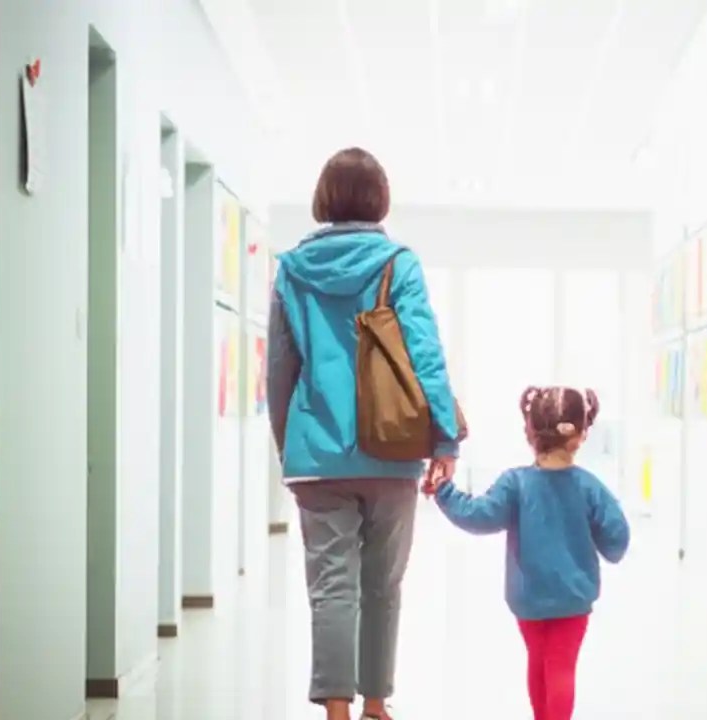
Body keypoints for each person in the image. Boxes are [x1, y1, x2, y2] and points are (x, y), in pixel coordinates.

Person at [267, 147, 460, 720]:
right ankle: (376, 703)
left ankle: (336, 713)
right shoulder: (399, 264)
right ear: (380, 199)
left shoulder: (292, 269)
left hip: (317, 452)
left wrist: (291, 446)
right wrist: (444, 438)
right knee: (383, 585)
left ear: (324, 199)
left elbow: (280, 369)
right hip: (392, 449)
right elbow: (424, 352)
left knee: (330, 587)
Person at [426, 386, 631, 720]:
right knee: (561, 668)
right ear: (580, 436)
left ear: (530, 430)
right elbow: (617, 541)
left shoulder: (515, 483)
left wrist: (445, 492)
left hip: (528, 600)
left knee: (537, 662)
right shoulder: (590, 487)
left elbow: (478, 516)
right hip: (573, 600)